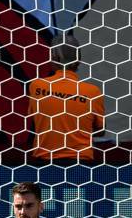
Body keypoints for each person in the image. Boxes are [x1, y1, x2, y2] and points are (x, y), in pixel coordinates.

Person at [28, 32, 105, 165]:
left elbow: (35, 121)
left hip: (45, 161)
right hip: (81, 162)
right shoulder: (92, 91)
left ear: (53, 57)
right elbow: (100, 130)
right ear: (78, 59)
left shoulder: (37, 86)